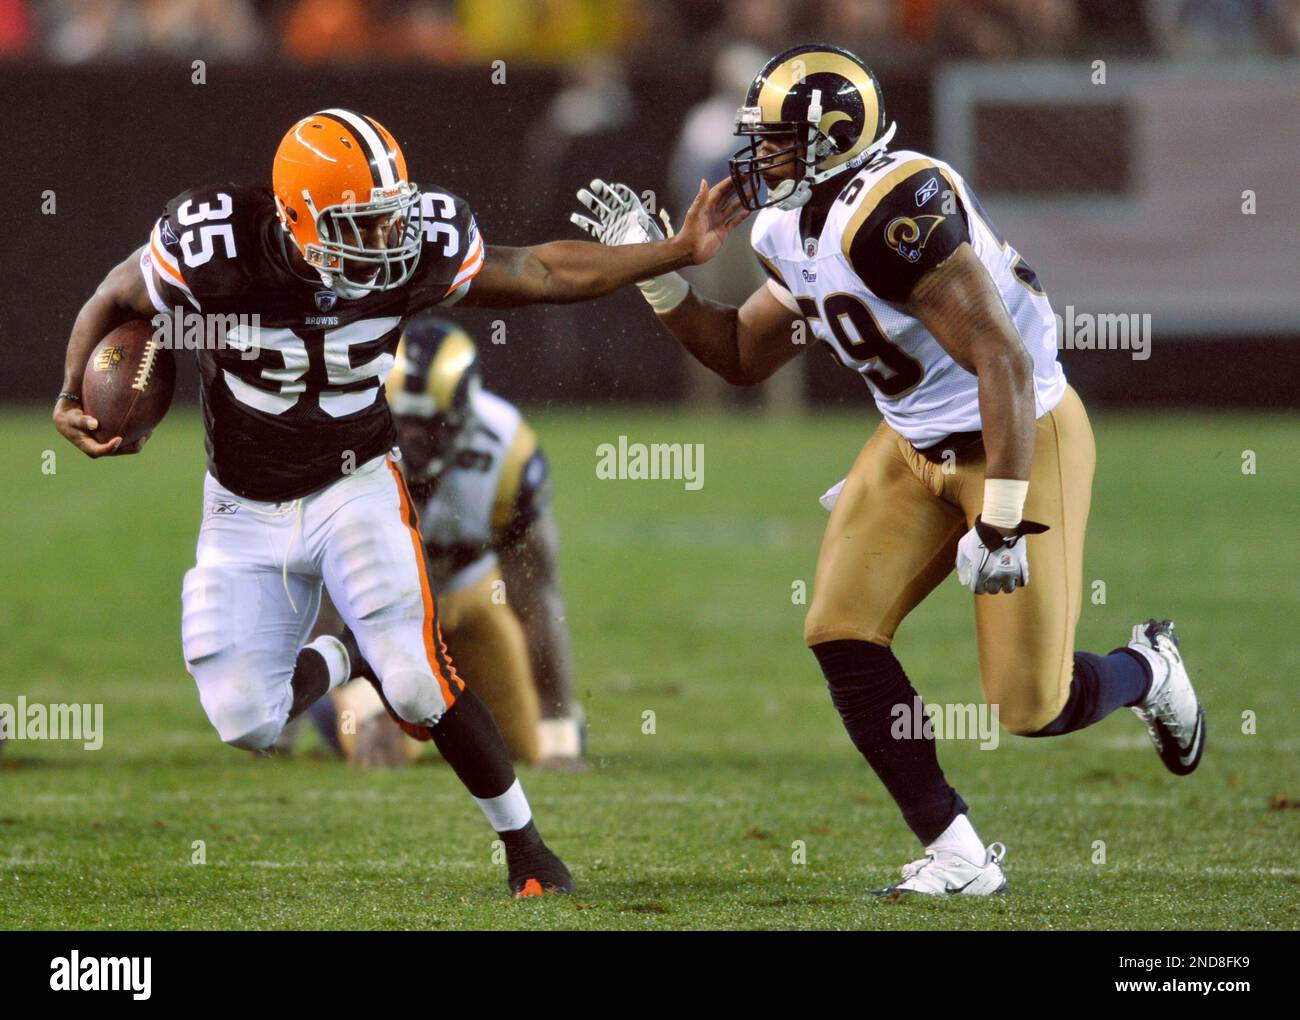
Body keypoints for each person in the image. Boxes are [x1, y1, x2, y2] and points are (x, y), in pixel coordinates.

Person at [571, 45, 1206, 896]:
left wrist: (1002, 518)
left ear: (834, 140)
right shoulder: (785, 227)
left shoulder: (893, 209)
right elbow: (739, 355)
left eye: (779, 140)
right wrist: (657, 276)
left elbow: (1004, 362)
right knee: (839, 630)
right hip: (911, 444)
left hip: (1017, 436)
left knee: (1032, 707)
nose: (760, 155)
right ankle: (957, 853)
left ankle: (1148, 670)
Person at [52, 107, 735, 897]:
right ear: (298, 218)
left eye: (390, 218)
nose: (385, 241)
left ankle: (527, 850)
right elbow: (114, 297)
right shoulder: (216, 247)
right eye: (360, 225)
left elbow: (540, 272)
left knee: (416, 681)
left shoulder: (415, 248)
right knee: (248, 721)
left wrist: (676, 251)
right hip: (243, 506)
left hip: (356, 484)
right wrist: (73, 394)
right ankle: (350, 652)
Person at [310, 315, 582, 768]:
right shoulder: (349, 448)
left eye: (432, 423)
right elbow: (322, 592)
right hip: (378, 613)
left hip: (471, 598)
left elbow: (536, 599)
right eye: (405, 422)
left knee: (525, 747)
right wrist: (365, 706)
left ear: (465, 416)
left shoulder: (509, 454)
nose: (415, 439)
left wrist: (559, 737)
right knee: (386, 745)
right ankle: (323, 706)